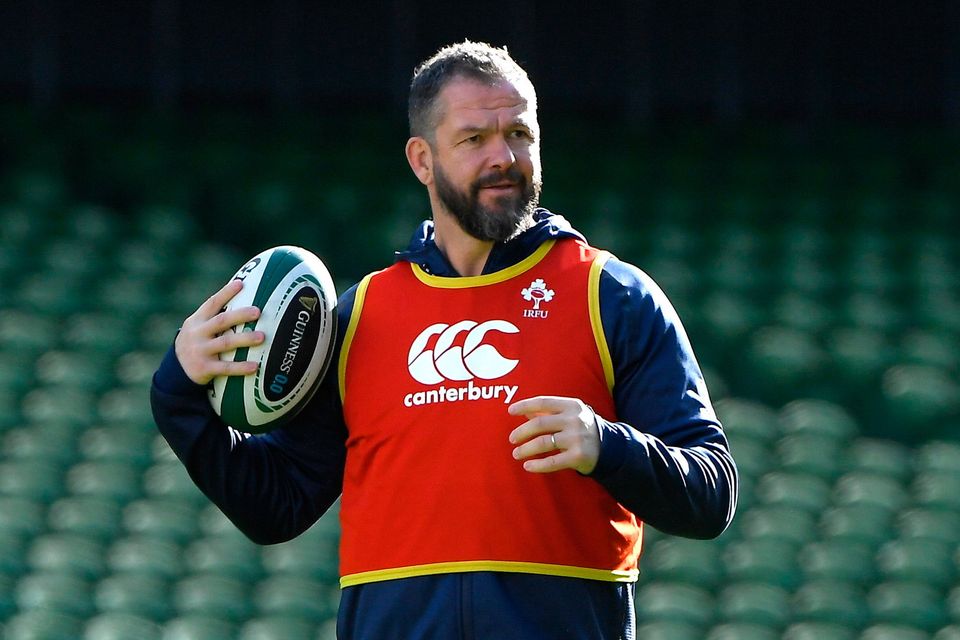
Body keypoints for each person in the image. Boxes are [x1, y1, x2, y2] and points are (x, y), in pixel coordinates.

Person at [152, 40, 738, 639]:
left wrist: (605, 445)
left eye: (519, 134)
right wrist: (177, 388)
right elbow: (276, 505)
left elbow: (713, 490)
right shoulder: (361, 315)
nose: (503, 156)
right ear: (422, 159)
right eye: (473, 139)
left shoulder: (611, 295)